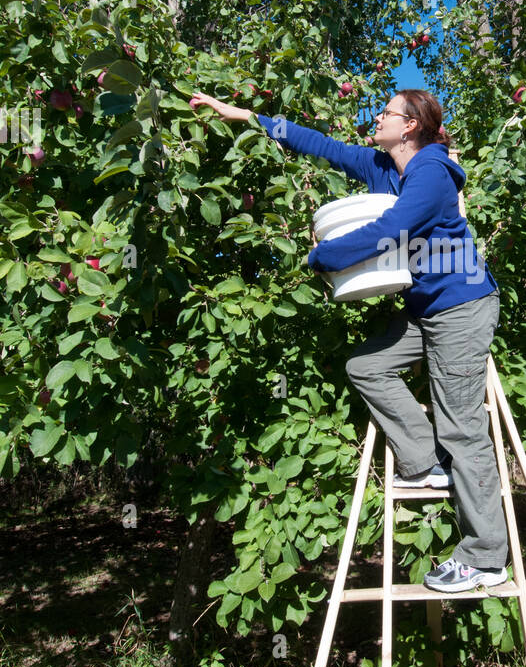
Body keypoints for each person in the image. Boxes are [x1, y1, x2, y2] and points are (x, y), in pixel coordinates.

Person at [188, 86, 509, 592]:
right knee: (367, 366)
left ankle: (486, 557)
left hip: (462, 306)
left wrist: (324, 256)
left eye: (387, 112)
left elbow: (394, 227)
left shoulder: (431, 172)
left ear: (410, 126)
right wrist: (245, 115)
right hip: (425, 309)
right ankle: (425, 464)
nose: (377, 118)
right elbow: (319, 145)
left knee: (463, 429)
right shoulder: (384, 167)